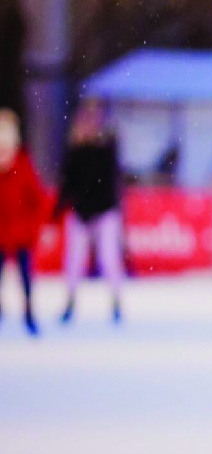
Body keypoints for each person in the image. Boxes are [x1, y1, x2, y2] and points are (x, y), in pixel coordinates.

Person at [56, 98, 125, 324]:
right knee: (74, 259)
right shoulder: (75, 151)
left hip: (103, 211)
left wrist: (97, 208)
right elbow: (68, 183)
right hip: (81, 212)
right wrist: (59, 209)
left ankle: (116, 301)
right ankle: (70, 300)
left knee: (108, 256)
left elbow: (108, 184)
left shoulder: (106, 149)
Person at [0, 108, 49, 336]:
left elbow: (36, 197)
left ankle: (29, 312)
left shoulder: (22, 163)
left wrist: (35, 226)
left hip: (20, 232)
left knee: (25, 275)